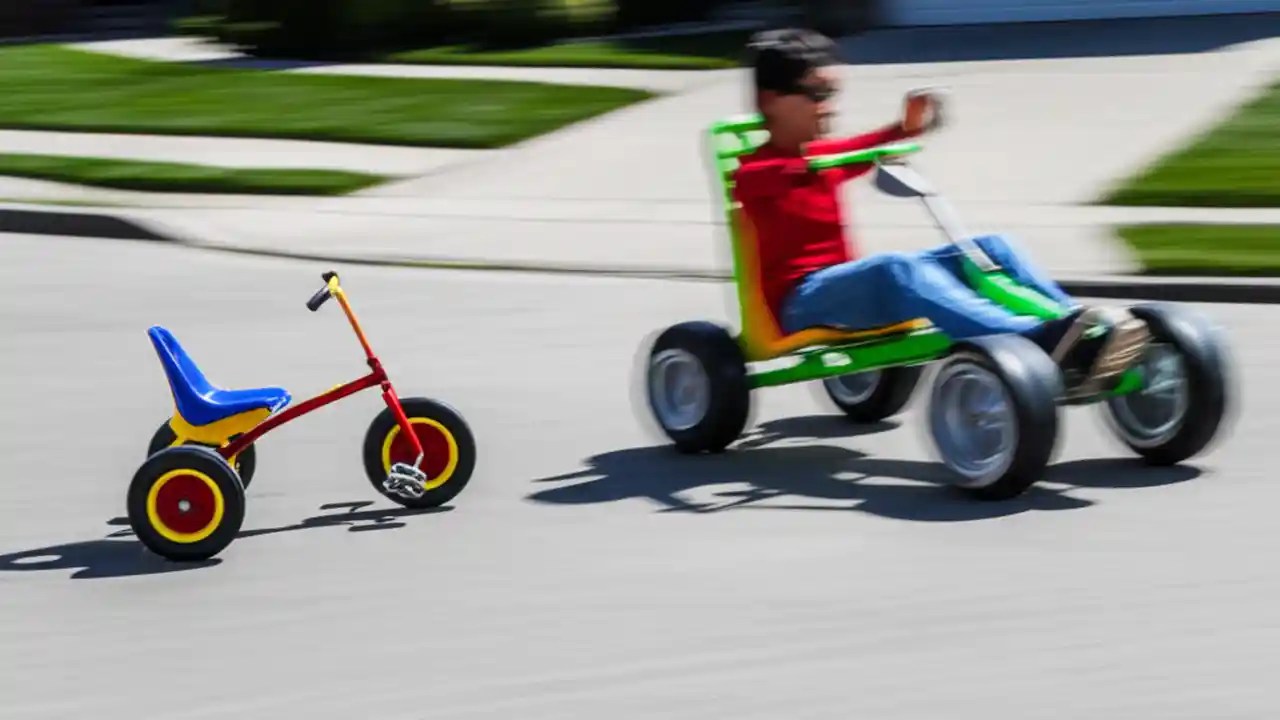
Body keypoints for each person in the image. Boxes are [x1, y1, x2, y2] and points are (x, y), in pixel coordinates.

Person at [733, 28, 1150, 392]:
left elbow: (861, 149)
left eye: (833, 94)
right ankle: (1032, 338)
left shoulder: (820, 155)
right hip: (802, 302)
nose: (829, 106)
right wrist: (818, 162)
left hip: (844, 290)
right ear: (773, 100)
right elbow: (772, 177)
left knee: (992, 248)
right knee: (897, 269)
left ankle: (1075, 325)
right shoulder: (755, 171)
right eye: (817, 94)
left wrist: (906, 128)